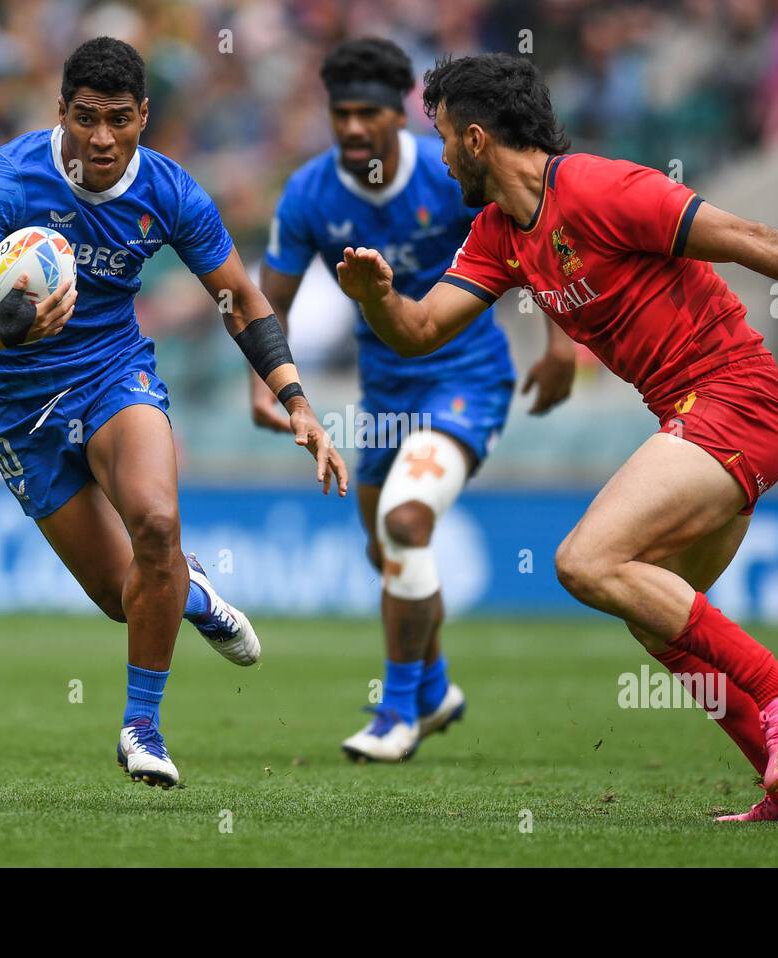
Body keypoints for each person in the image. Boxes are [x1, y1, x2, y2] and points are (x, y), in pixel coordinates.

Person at [336, 53, 778, 822]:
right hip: (694, 417)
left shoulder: (600, 187)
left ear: (476, 138)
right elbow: (417, 331)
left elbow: (745, 237)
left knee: (585, 561)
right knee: (657, 619)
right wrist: (378, 297)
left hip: (737, 400)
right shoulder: (499, 235)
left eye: (442, 136)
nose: (438, 155)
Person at [0, 37, 347, 790]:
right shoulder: (9, 180)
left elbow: (241, 300)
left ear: (145, 116)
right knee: (127, 597)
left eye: (120, 119)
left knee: (155, 523)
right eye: (86, 118)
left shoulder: (172, 193)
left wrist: (297, 400)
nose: (103, 138)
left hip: (113, 377)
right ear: (62, 112)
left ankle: (140, 728)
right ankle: (195, 592)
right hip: (17, 409)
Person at [252, 38, 575, 762]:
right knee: (386, 547)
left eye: (369, 111)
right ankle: (432, 688)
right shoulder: (309, 193)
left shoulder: (448, 177)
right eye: (343, 113)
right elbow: (268, 301)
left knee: (404, 520)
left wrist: (560, 346)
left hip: (466, 380)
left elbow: (531, 237)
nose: (355, 127)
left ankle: (397, 713)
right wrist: (261, 383)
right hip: (385, 396)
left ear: (398, 112)